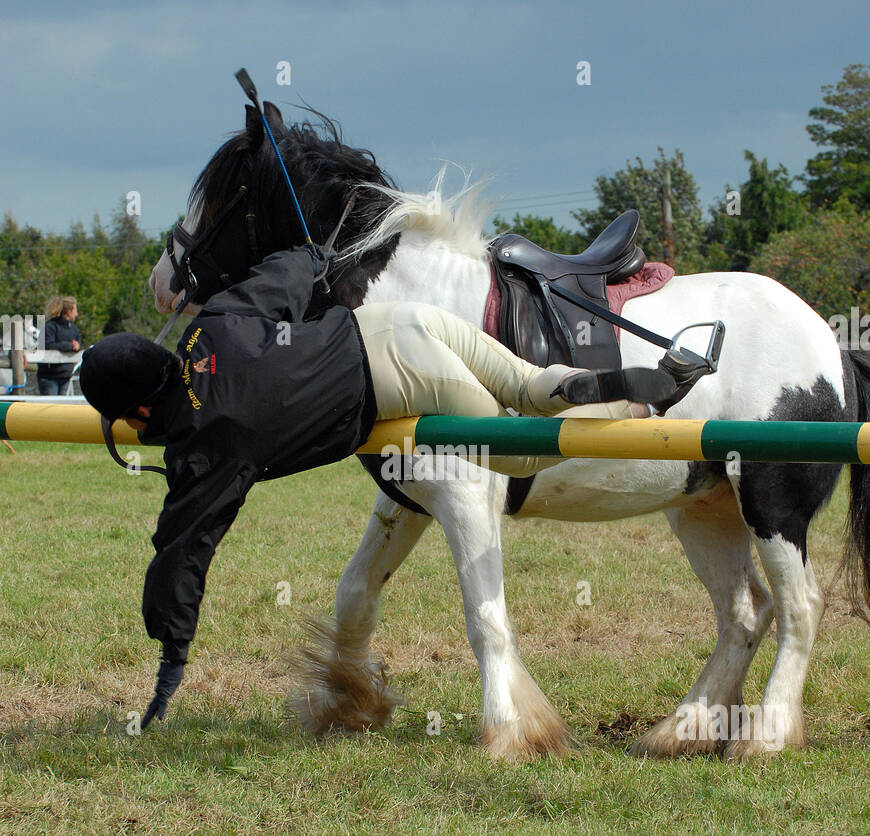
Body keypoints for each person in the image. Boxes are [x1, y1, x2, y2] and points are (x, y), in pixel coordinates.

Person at [79, 247, 676, 729]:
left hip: (406, 379)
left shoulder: (205, 448)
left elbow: (182, 551)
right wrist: (314, 258)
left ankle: (621, 409)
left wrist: (170, 658)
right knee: (524, 383)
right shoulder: (214, 326)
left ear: (136, 409)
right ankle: (594, 383)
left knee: (518, 458)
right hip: (403, 320)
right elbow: (284, 271)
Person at [38, 296, 84, 395]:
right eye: (75, 310)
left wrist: (78, 346)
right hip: (49, 377)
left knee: (62, 407)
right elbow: (49, 345)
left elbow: (79, 343)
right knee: (50, 408)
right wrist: (70, 346)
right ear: (69, 311)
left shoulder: (74, 328)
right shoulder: (50, 327)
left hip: (66, 376)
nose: (76, 314)